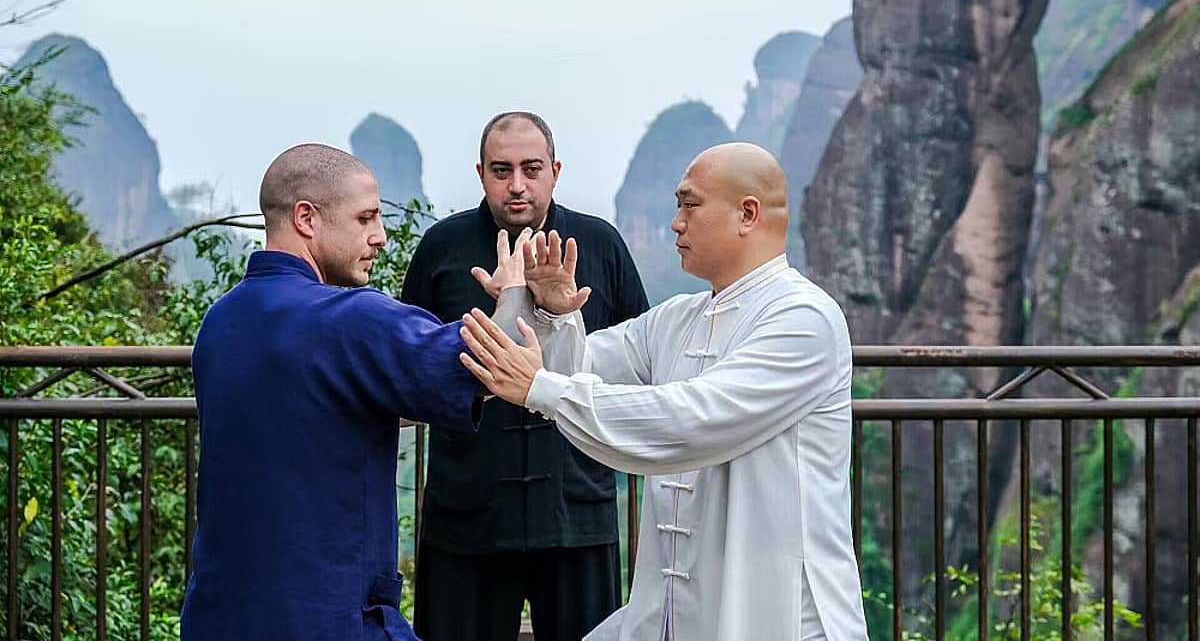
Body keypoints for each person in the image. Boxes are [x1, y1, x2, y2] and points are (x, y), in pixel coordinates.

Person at [458, 143, 869, 641]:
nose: (676, 222)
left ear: (747, 214)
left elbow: (691, 421)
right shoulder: (680, 317)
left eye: (689, 205)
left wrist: (542, 389)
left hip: (779, 613)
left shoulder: (804, 318)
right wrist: (553, 312)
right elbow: (579, 366)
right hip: (675, 613)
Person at [180, 143, 550, 641]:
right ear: (307, 218)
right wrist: (518, 289)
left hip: (219, 615)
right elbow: (485, 362)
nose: (380, 237)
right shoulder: (350, 320)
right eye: (366, 218)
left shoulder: (220, 322)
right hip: (328, 617)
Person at [403, 112, 649, 641]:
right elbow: (411, 372)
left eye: (531, 168)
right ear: (481, 173)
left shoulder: (598, 245)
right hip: (467, 511)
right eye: (502, 170)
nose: (517, 185)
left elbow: (641, 367)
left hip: (576, 509)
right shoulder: (442, 250)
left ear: (555, 170)